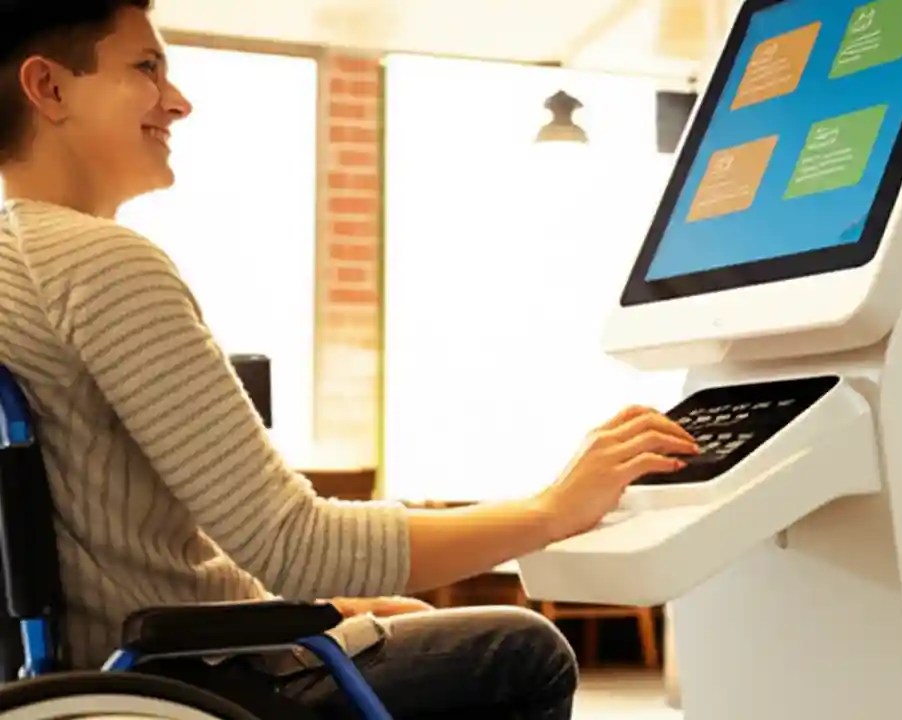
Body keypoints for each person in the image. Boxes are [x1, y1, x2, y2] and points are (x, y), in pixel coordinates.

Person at [0, 1, 699, 717]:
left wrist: (324, 606)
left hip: (74, 672)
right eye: (145, 69)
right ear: (49, 88)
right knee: (523, 651)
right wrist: (552, 509)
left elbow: (109, 547)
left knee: (395, 617)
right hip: (170, 681)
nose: (177, 101)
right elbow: (294, 544)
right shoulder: (98, 265)